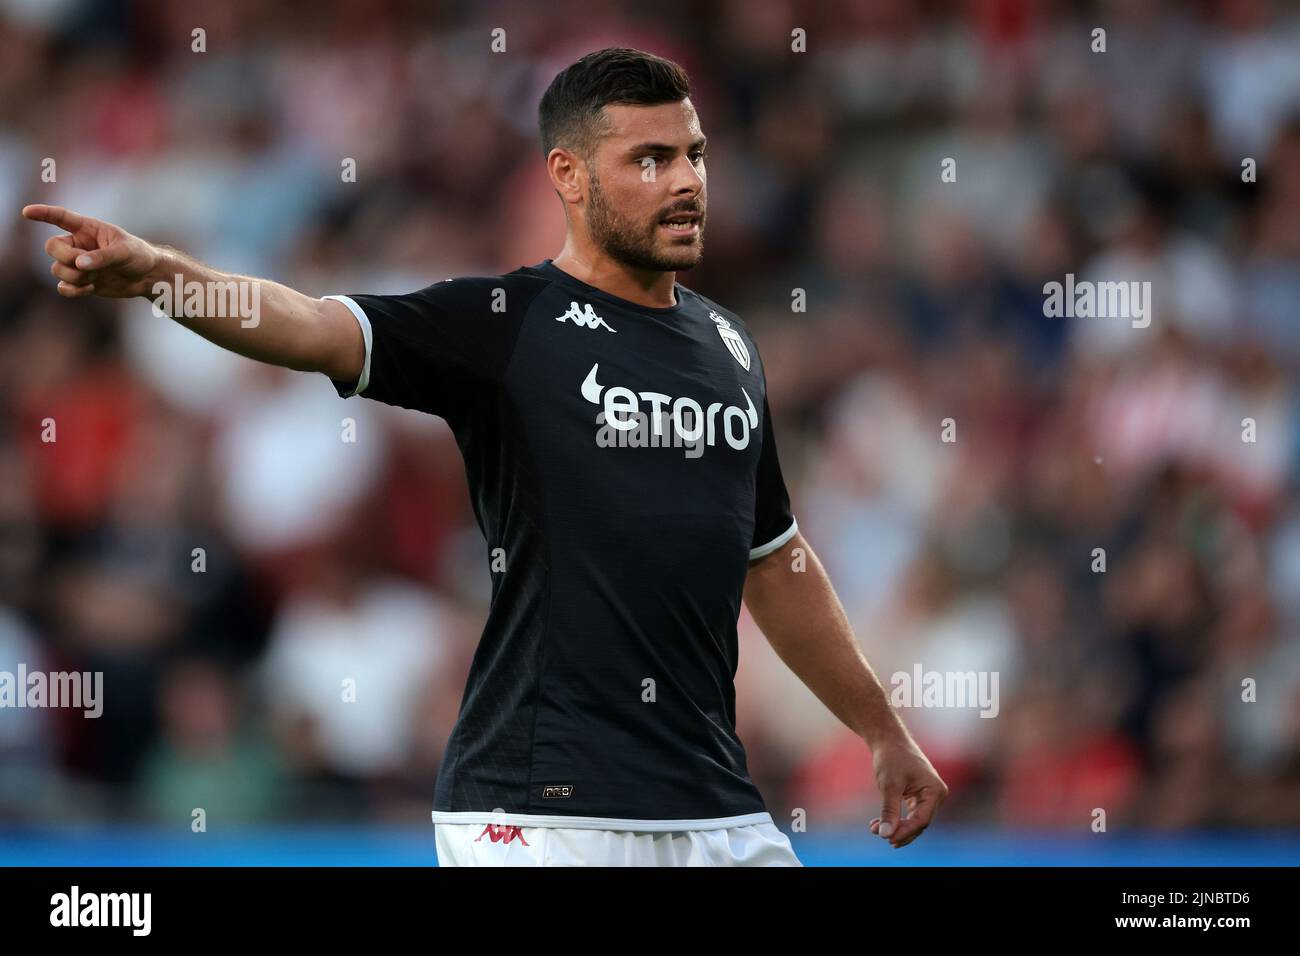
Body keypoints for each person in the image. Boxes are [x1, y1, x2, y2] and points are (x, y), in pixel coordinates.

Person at [22, 46, 947, 867]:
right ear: (571, 176)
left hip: (712, 806)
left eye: (694, 155)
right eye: (650, 160)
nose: (686, 182)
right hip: (541, 813)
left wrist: (881, 729)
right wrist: (160, 277)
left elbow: (775, 560)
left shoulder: (731, 346)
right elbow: (309, 326)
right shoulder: (507, 324)